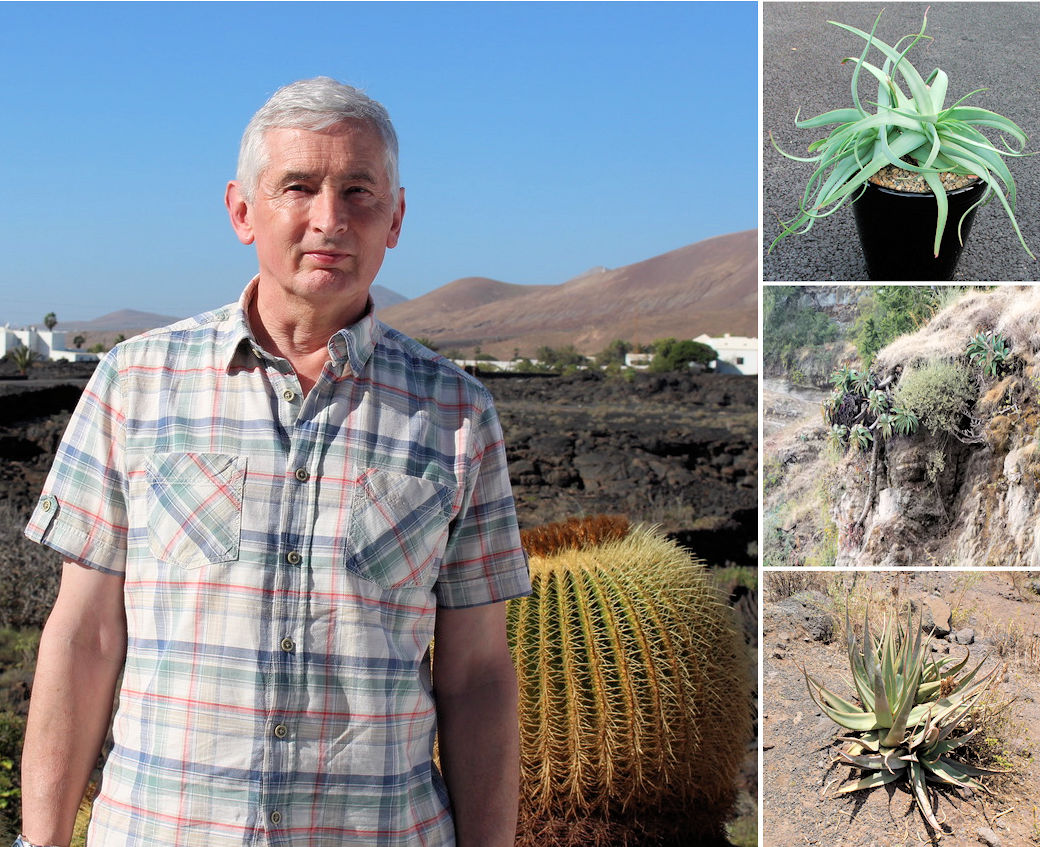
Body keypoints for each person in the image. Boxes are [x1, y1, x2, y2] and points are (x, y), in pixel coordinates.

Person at [18, 77, 531, 847]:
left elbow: (478, 675)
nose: (330, 219)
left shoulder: (457, 414)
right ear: (241, 210)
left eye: (360, 191)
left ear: (395, 218)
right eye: (299, 186)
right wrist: (39, 839)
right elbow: (83, 636)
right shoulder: (134, 383)